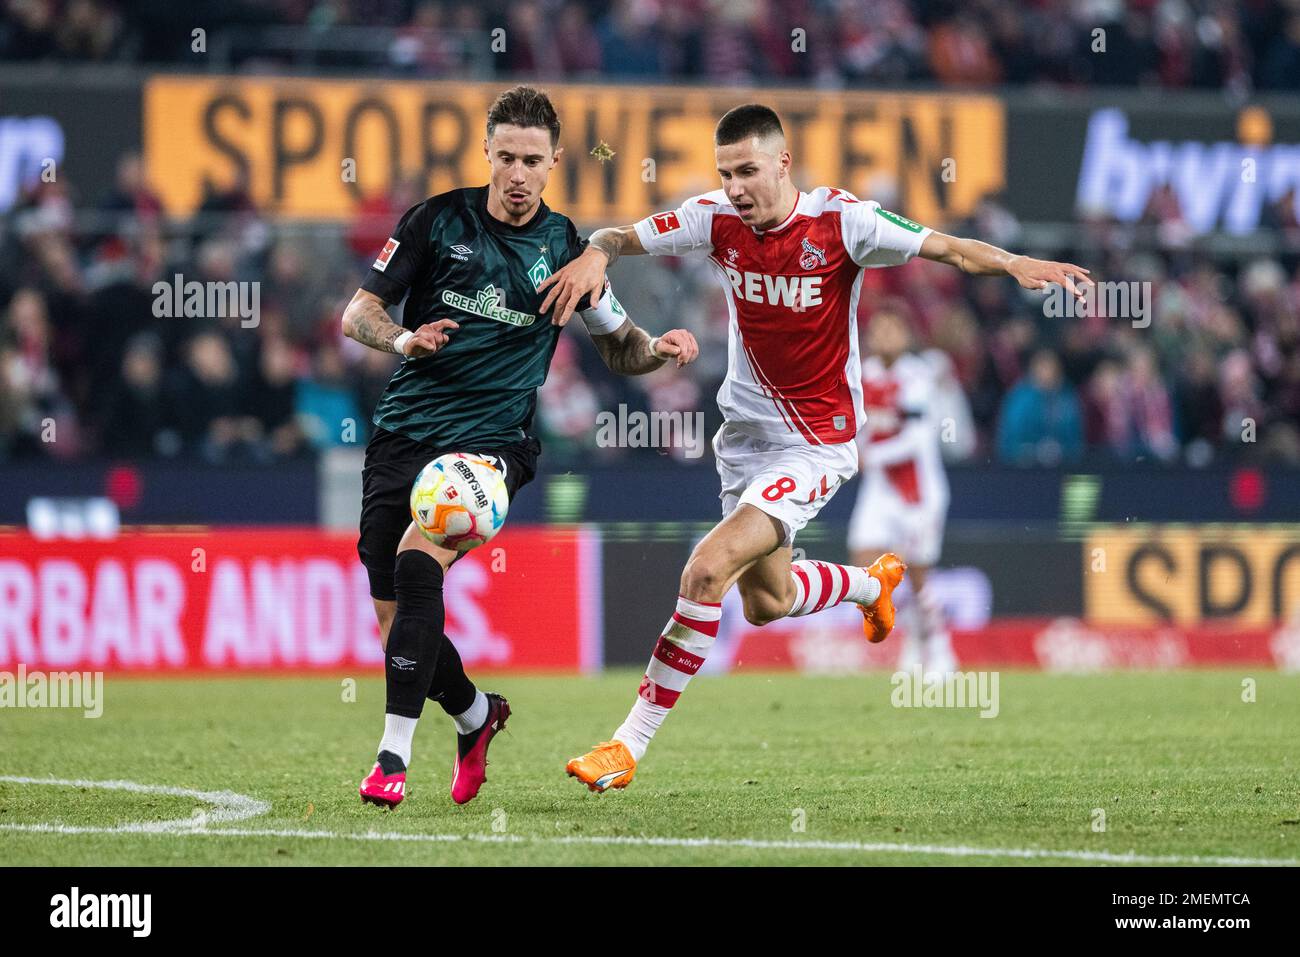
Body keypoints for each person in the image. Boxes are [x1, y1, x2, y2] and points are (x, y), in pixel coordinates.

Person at [540, 103, 1090, 792]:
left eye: (748, 171)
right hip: (742, 439)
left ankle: (625, 745)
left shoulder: (844, 221)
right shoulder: (715, 219)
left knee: (706, 572)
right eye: (725, 172)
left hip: (816, 442)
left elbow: (945, 247)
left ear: (782, 163)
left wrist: (1013, 262)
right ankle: (869, 583)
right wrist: (596, 248)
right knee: (766, 602)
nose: (736, 186)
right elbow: (623, 237)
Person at [342, 86, 699, 808]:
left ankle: (391, 757)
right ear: (486, 153)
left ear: (554, 162)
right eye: (505, 156)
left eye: (531, 160)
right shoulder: (438, 222)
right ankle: (476, 715)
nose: (516, 173)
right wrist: (404, 338)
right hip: (404, 431)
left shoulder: (569, 249)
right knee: (393, 618)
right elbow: (358, 312)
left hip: (493, 442)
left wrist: (658, 350)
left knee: (420, 561)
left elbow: (620, 349)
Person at [847, 309, 955, 679]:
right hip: (880, 489)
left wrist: (869, 456)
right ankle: (911, 640)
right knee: (866, 561)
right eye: (879, 329)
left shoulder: (918, 376)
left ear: (906, 336)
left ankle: (939, 651)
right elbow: (858, 426)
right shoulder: (862, 374)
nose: (885, 336)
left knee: (919, 575)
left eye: (893, 328)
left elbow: (917, 438)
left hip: (918, 491)